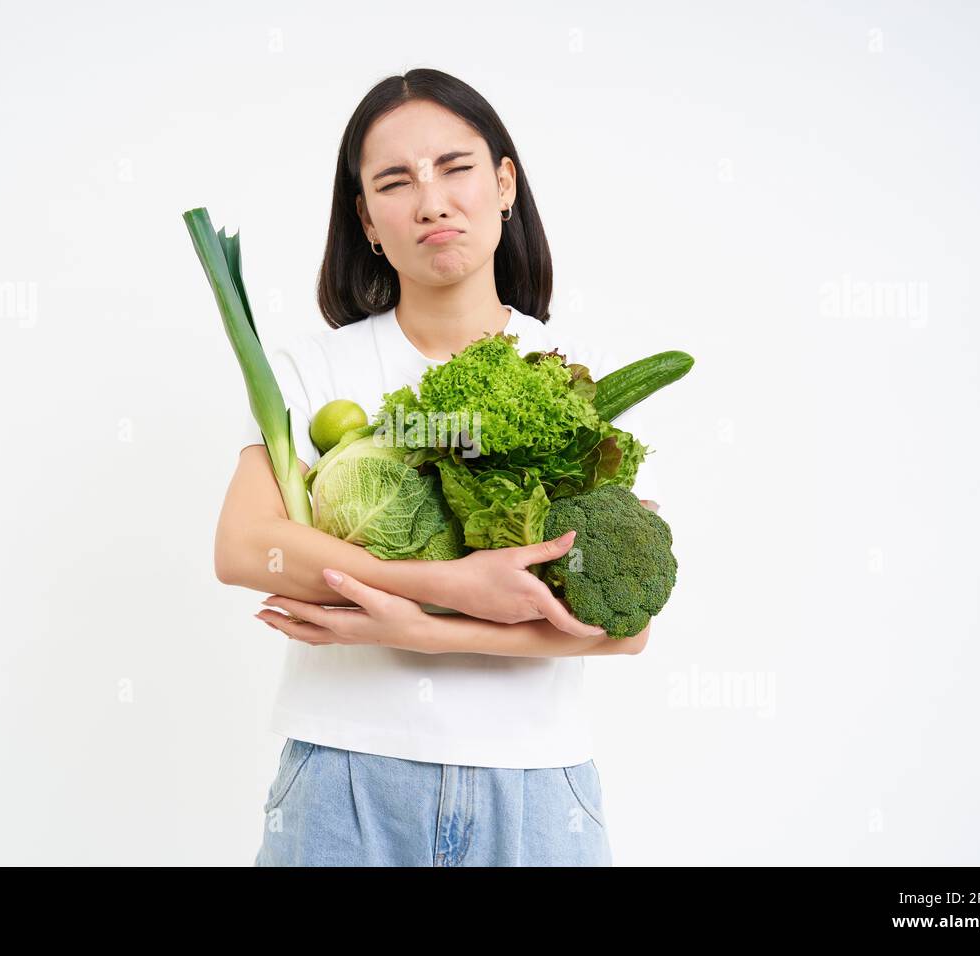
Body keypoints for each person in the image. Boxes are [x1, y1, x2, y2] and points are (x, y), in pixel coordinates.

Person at [216, 68, 664, 866]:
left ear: (503, 185)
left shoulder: (579, 378)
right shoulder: (313, 373)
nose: (431, 200)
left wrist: (415, 631)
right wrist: (447, 586)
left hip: (536, 788)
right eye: (395, 181)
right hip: (342, 777)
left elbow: (620, 629)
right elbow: (247, 550)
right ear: (367, 220)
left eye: (455, 168)